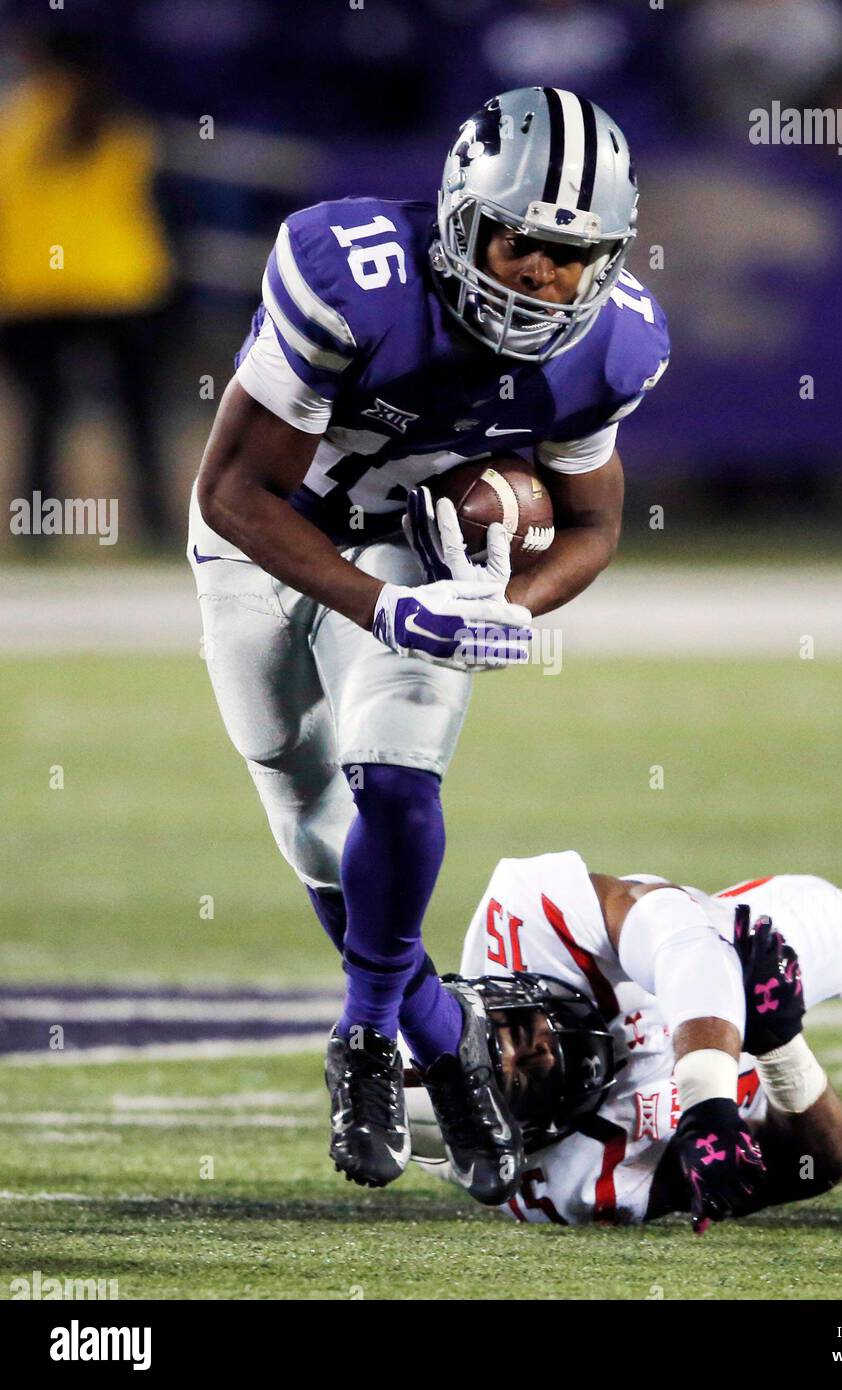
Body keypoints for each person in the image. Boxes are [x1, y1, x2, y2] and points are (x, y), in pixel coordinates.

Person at [190, 87, 670, 1203]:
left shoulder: (616, 341)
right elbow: (231, 491)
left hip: (422, 548)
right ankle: (446, 1033)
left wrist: (511, 605)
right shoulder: (348, 272)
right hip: (271, 544)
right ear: (462, 216)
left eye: (572, 255)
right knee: (312, 824)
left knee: (397, 785)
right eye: (522, 244)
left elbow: (592, 522)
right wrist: (380, 609)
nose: (543, 278)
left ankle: (364, 1039)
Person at [406, 855, 842, 1227]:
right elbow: (814, 1164)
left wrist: (705, 1099)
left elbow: (678, 929)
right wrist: (781, 1047)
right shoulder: (572, 1183)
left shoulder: (522, 921)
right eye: (523, 1081)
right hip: (750, 1081)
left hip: (713, 954)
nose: (541, 1049)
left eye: (514, 1031)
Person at [0, 27, 174, 543]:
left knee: (41, 421)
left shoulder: (17, 123)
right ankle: (157, 528)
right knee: (140, 419)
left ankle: (35, 533)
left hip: (36, 293)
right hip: (124, 286)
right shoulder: (125, 123)